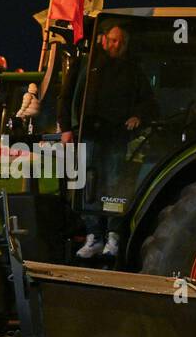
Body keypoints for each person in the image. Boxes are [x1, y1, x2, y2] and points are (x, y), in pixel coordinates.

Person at [65, 25, 157, 259]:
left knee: (114, 184)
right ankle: (94, 236)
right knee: (86, 183)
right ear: (103, 40)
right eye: (112, 40)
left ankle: (113, 235)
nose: (114, 45)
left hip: (116, 137)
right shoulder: (87, 66)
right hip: (88, 134)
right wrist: (66, 128)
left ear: (124, 45)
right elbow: (66, 96)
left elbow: (148, 102)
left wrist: (139, 115)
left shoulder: (133, 71)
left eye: (119, 42)